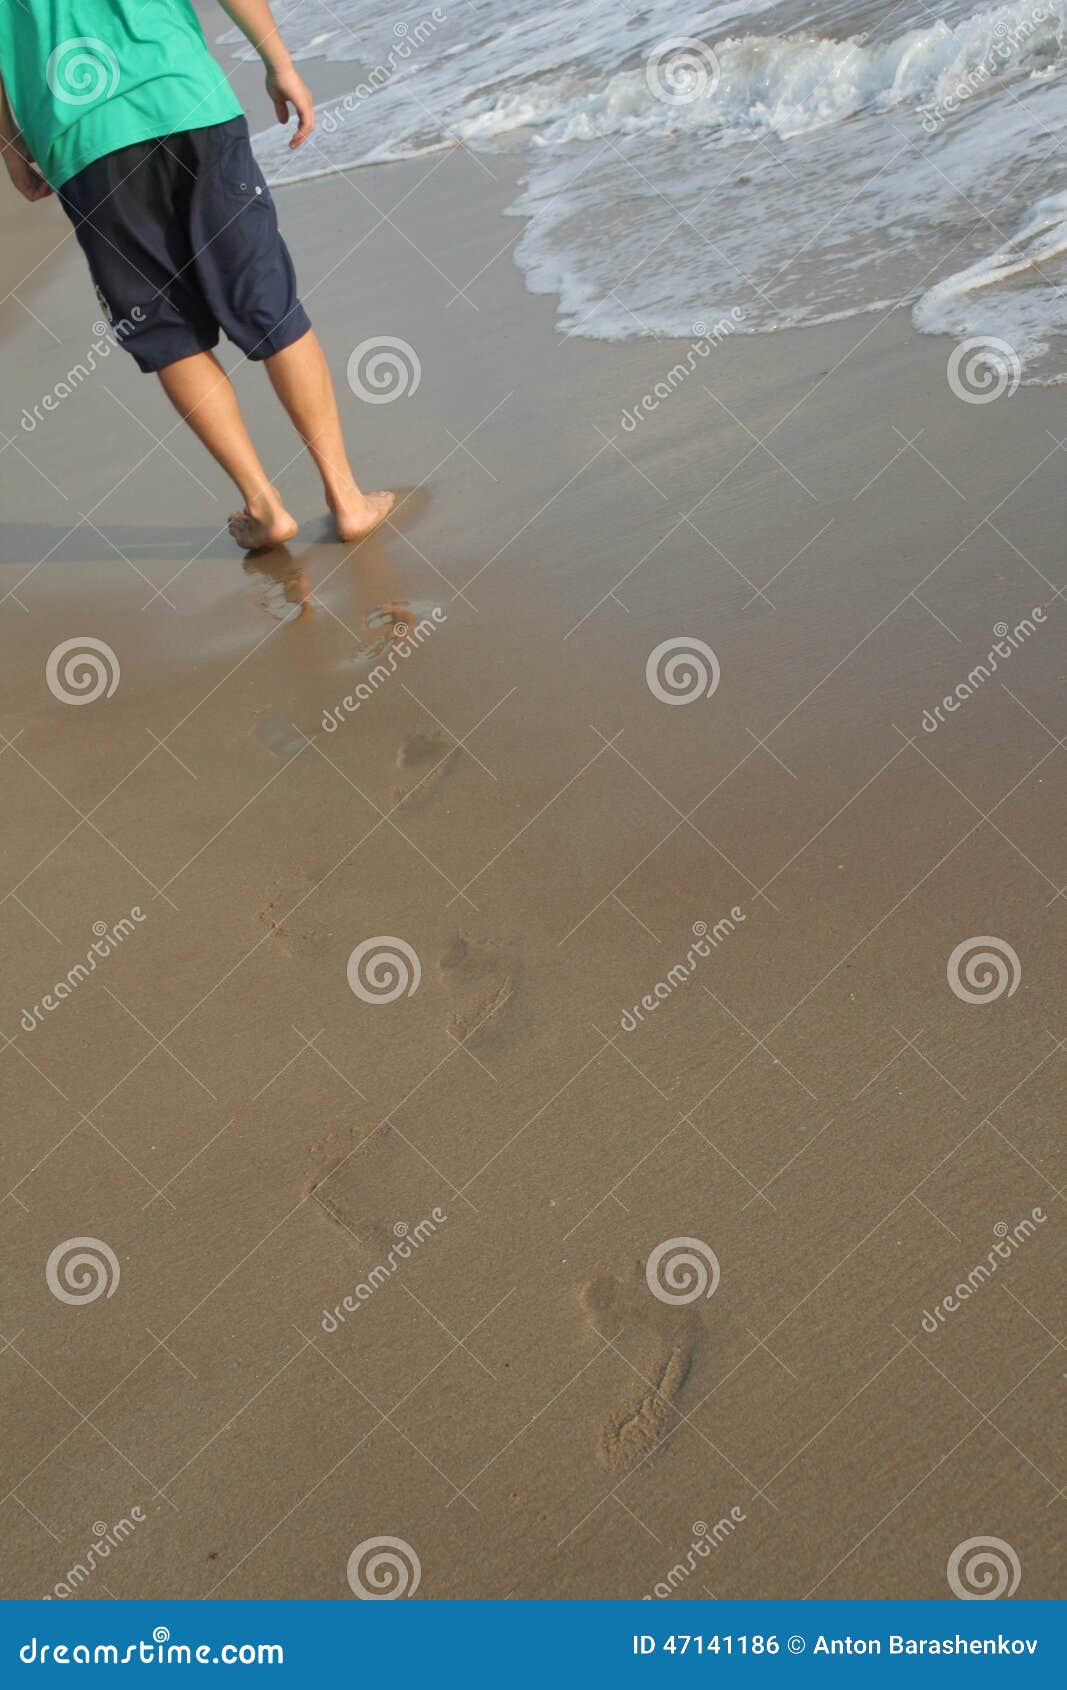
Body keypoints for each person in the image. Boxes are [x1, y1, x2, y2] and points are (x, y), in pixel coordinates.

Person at [0, 0, 395, 550]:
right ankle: (346, 498)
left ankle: (263, 506)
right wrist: (278, 61)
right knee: (266, 301)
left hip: (81, 138)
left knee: (166, 330)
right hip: (184, 98)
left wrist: (8, 139)